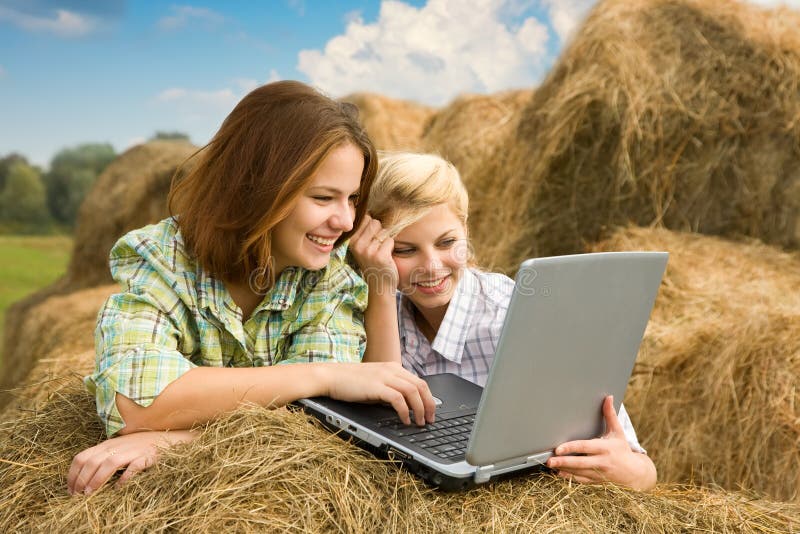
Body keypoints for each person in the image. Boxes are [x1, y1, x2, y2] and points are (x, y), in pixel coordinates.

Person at [67, 82, 436, 496]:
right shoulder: (160, 259)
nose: (345, 221)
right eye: (323, 197)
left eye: (352, 199)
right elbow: (137, 403)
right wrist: (325, 375)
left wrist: (178, 439)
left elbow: (323, 426)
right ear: (255, 187)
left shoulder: (330, 281)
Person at [348, 152, 657, 491]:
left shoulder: (520, 317)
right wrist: (378, 284)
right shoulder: (373, 307)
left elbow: (640, 469)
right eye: (405, 250)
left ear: (465, 230)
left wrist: (632, 471)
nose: (432, 266)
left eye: (447, 242)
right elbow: (375, 424)